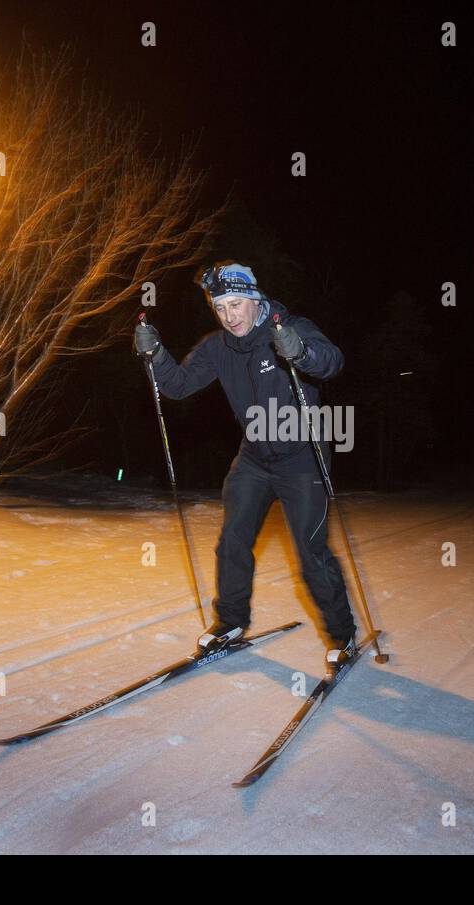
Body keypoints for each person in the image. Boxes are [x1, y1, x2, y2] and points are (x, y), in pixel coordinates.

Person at [134, 261, 358, 673]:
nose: (229, 315)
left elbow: (332, 362)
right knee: (233, 542)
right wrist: (156, 354)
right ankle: (231, 623)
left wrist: (301, 352)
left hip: (302, 458)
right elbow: (178, 385)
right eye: (221, 308)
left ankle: (343, 636)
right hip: (254, 458)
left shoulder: (287, 328)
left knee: (310, 553)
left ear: (254, 300)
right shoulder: (218, 347)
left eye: (236, 304)